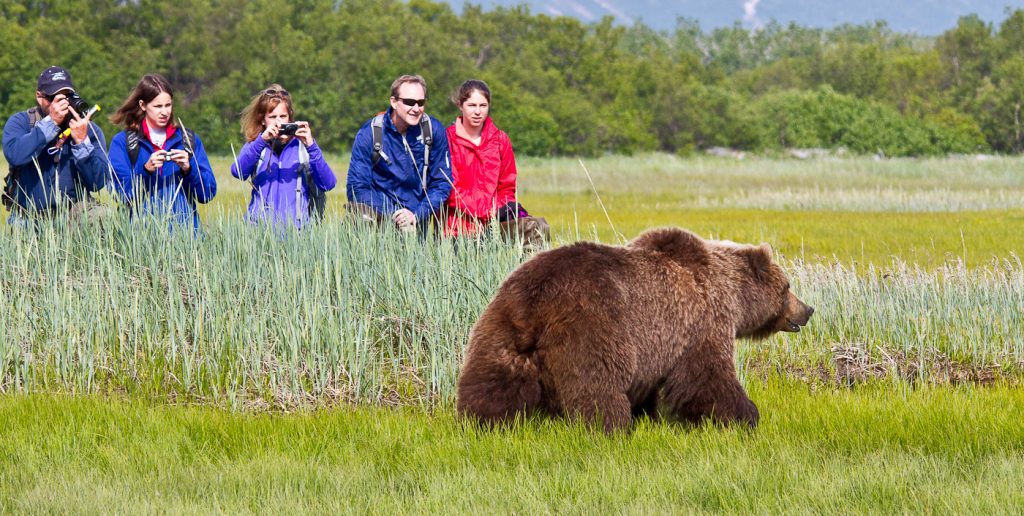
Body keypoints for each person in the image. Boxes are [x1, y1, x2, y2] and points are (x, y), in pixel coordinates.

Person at [346, 74, 452, 235]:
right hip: (378, 221)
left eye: (421, 102)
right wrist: (394, 213)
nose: (416, 108)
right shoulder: (370, 133)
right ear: (394, 102)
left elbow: (442, 182)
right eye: (409, 102)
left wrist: (417, 214)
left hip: (416, 222)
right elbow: (357, 187)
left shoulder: (433, 130)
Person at [107, 74, 216, 230]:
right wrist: (146, 170)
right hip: (140, 239)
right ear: (143, 105)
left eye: (168, 105)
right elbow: (120, 195)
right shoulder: (123, 142)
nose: (165, 112)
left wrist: (189, 169)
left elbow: (207, 194)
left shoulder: (188, 139)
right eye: (158, 106)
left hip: (186, 239)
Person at [1, 65, 108, 223]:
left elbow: (97, 183)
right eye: (54, 98)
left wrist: (81, 142)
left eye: (66, 97)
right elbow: (15, 156)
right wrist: (50, 123)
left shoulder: (87, 129)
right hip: (30, 216)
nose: (62, 105)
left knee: (102, 214)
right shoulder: (21, 122)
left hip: (73, 214)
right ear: (39, 96)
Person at [231, 84, 335, 228]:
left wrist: (311, 146)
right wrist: (262, 140)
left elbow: (328, 184)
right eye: (272, 117)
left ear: (290, 117)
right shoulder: (256, 145)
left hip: (296, 234)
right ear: (262, 120)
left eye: (283, 116)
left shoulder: (302, 147)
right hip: (259, 232)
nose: (278, 122)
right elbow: (238, 172)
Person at [444, 79, 518, 237]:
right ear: (460, 105)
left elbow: (507, 187)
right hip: (455, 231)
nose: (478, 112)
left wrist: (497, 213)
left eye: (483, 106)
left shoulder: (500, 140)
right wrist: (486, 211)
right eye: (471, 105)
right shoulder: (446, 139)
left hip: (494, 229)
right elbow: (449, 190)